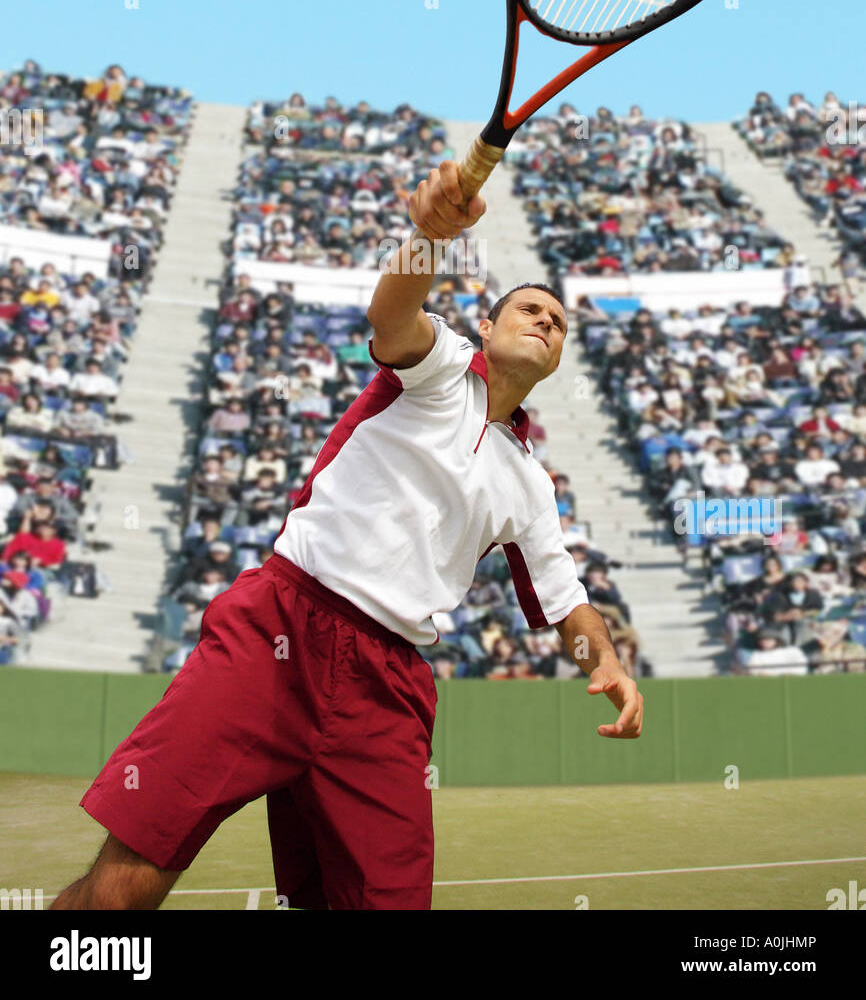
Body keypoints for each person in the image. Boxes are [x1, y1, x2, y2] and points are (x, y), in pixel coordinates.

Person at [52, 158, 643, 912]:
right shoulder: (440, 368)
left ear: (558, 358)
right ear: (487, 326)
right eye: (531, 310)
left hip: (387, 690)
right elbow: (393, 317)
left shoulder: (529, 483)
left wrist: (610, 663)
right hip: (278, 632)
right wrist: (429, 237)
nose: (546, 324)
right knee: (123, 890)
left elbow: (566, 600)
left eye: (558, 325)